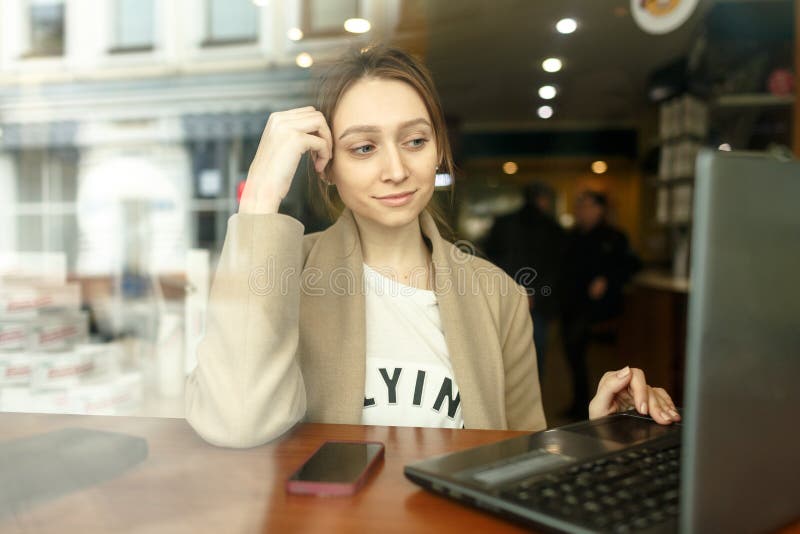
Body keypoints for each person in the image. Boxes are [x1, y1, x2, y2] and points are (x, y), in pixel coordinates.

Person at [185, 46, 678, 448]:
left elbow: (521, 459)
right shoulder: (282, 277)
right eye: (363, 147)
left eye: (415, 141)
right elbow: (236, 423)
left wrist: (598, 431)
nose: (396, 169)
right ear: (325, 165)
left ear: (438, 148)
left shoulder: (498, 296)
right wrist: (262, 197)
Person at [561, 191, 643, 419]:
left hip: (598, 310)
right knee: (572, 356)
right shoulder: (572, 236)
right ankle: (579, 404)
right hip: (572, 305)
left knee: (594, 356)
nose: (582, 211)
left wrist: (606, 279)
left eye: (587, 206)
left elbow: (632, 265)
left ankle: (601, 404)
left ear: (599, 209)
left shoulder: (614, 237)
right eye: (579, 206)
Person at [484, 183, 565, 378]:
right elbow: (555, 267)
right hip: (538, 302)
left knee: (502, 356)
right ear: (542, 200)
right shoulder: (552, 228)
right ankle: (531, 404)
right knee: (534, 360)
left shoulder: (503, 223)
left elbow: (489, 261)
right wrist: (534, 294)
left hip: (504, 299)